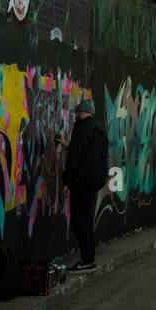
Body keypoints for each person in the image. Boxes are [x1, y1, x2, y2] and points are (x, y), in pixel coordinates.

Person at [58, 99, 109, 274]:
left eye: (78, 112)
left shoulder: (82, 130)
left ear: (83, 113)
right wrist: (68, 146)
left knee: (79, 221)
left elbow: (76, 158)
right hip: (95, 181)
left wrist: (67, 182)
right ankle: (89, 258)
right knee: (87, 220)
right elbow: (91, 155)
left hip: (81, 182)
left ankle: (86, 260)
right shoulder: (100, 131)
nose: (76, 115)